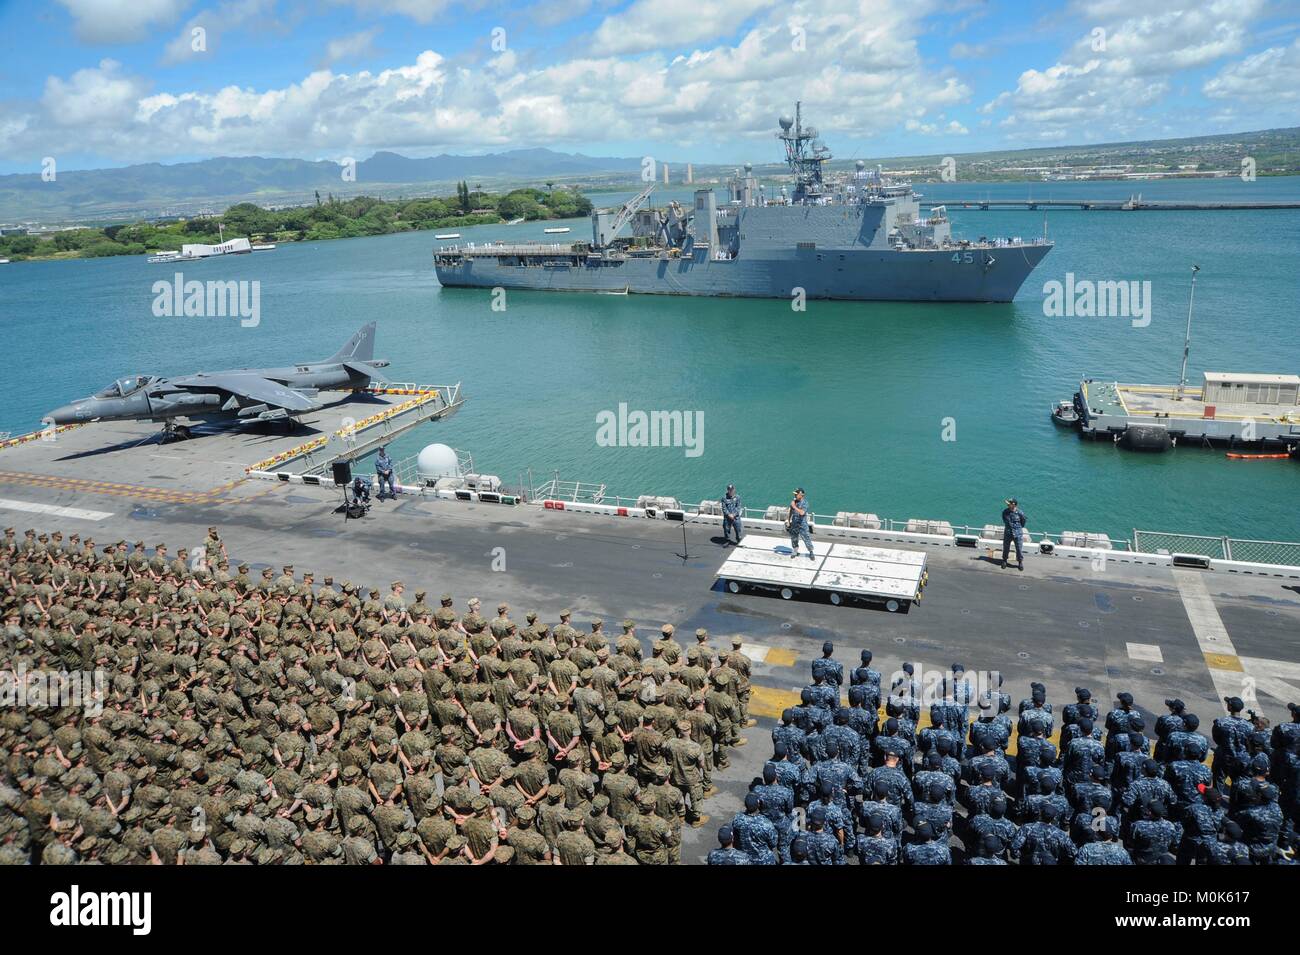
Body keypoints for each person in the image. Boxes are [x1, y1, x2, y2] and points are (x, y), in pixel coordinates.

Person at [787, 487, 814, 560]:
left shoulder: (805, 503)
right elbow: (790, 512)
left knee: (806, 538)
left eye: (796, 494)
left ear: (801, 495)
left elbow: (802, 513)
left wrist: (794, 506)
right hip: (794, 524)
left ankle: (811, 551)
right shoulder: (794, 502)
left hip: (802, 524)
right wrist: (788, 521)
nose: (795, 496)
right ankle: (795, 551)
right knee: (794, 539)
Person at [1000, 497, 1027, 570]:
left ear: (1014, 505)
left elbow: (1023, 522)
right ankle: (1004, 560)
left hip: (1017, 534)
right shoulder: (1005, 512)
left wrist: (1017, 529)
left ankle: (1020, 562)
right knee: (1006, 548)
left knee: (1019, 549)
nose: (1008, 505)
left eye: (1009, 504)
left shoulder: (1020, 513)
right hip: (1008, 533)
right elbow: (1004, 520)